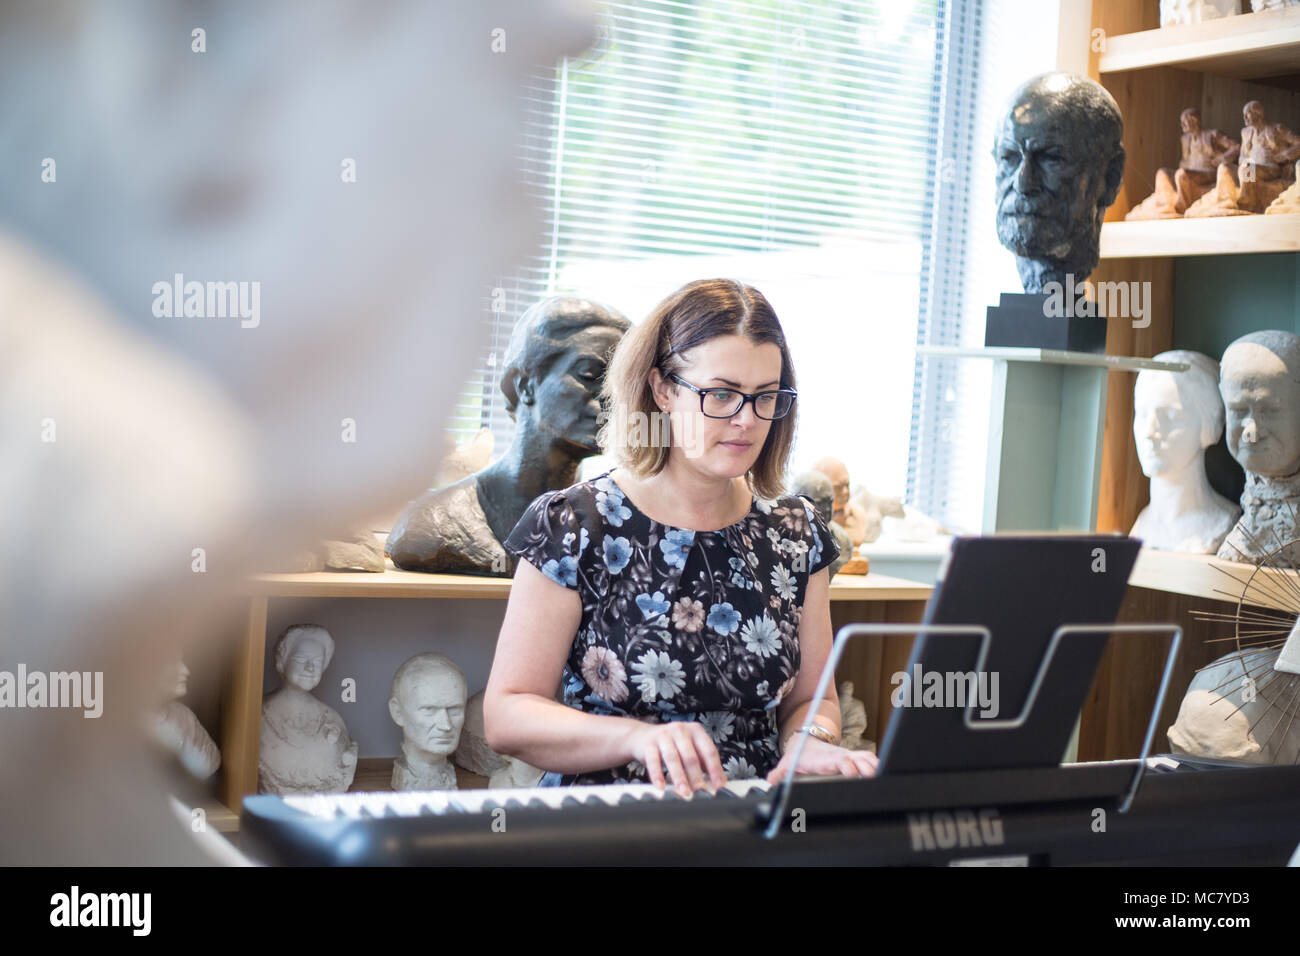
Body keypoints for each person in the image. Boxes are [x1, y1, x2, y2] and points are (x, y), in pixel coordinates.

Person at [483, 278, 879, 796]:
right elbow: (508, 714)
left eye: (766, 397)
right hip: (612, 817)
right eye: (721, 394)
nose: (746, 420)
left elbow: (812, 700)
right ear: (662, 389)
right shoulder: (577, 524)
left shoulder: (797, 534)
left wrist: (814, 740)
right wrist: (636, 739)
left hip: (752, 818)